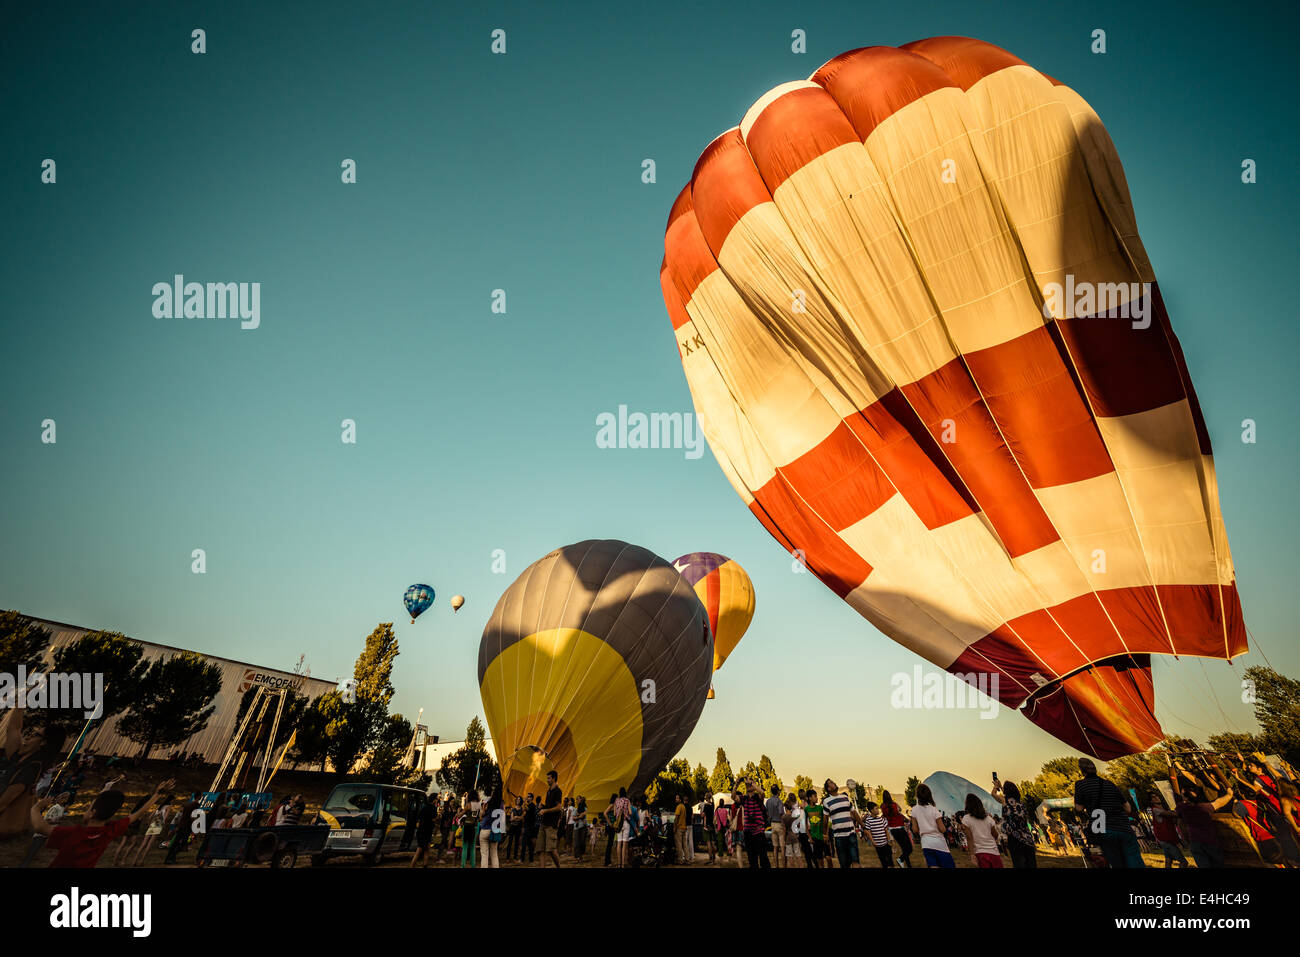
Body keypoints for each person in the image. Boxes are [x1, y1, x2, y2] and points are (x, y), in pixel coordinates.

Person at [31, 777, 176, 868]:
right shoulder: (110, 830)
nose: (87, 810)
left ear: (93, 813)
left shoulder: (74, 833)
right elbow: (139, 813)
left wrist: (36, 807)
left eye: (89, 808)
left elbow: (39, 826)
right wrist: (158, 793)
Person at [0, 710, 67, 840]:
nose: (29, 735)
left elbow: (2, 803)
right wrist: (20, 702)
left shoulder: (31, 769)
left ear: (43, 742)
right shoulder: (19, 755)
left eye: (35, 734)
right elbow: (14, 728)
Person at [1073, 757, 1145, 868]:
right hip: (1123, 826)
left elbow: (1079, 808)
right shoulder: (1109, 784)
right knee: (1134, 861)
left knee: (1116, 862)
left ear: (1082, 771)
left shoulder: (1080, 785)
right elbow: (1128, 808)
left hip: (1102, 827)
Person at [991, 779, 1036, 868]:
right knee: (1031, 863)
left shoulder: (1005, 801)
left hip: (1015, 838)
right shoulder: (1021, 804)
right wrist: (1001, 787)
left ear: (1006, 791)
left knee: (1019, 863)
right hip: (1027, 838)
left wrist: (996, 786)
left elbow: (993, 794)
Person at [910, 784, 954, 868]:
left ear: (917, 796)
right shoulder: (934, 809)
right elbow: (942, 829)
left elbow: (914, 829)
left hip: (925, 843)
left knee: (933, 865)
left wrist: (923, 830)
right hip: (939, 843)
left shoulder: (914, 810)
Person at [823, 780, 860, 868]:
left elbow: (854, 813)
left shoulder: (845, 797)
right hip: (839, 837)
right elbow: (825, 819)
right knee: (844, 864)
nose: (834, 783)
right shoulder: (827, 801)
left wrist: (863, 825)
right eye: (831, 783)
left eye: (833, 782)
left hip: (851, 834)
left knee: (855, 862)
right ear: (828, 788)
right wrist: (825, 834)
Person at [960, 793, 1002, 868]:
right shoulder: (988, 819)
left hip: (980, 852)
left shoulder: (966, 819)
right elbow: (995, 834)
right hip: (994, 852)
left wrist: (972, 854)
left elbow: (969, 838)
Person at [1147, 794, 1187, 868]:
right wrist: (1180, 808)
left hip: (1167, 838)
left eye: (1156, 796)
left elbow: (1173, 820)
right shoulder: (1155, 809)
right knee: (1184, 862)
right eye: (1153, 797)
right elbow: (1172, 814)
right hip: (1164, 839)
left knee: (1168, 861)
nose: (1156, 797)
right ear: (1151, 801)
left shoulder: (1163, 809)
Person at [739, 778, 770, 868]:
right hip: (748, 832)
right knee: (752, 859)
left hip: (758, 832)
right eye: (747, 784)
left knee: (763, 858)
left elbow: (762, 793)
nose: (748, 785)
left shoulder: (757, 797)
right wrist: (737, 783)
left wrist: (753, 784)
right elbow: (733, 797)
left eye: (750, 784)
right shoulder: (744, 799)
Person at [881, 790, 913, 867]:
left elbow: (884, 816)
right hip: (900, 828)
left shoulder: (882, 806)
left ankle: (908, 865)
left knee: (904, 848)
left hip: (892, 829)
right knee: (909, 849)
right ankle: (901, 859)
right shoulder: (894, 804)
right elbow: (900, 810)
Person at [538, 770, 563, 867]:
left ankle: (559, 866)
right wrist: (543, 807)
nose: (547, 780)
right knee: (541, 849)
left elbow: (558, 807)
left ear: (554, 778)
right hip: (544, 823)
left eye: (549, 778)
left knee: (552, 850)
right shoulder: (549, 791)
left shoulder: (557, 791)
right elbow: (549, 806)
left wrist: (545, 811)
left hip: (551, 825)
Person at [479, 783, 503, 868]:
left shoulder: (487, 803)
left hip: (485, 829)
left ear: (493, 793)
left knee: (484, 855)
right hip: (495, 830)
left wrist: (482, 810)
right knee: (494, 854)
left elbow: (481, 816)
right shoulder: (502, 804)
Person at [863, 801, 893, 868]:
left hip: (885, 843)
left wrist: (889, 840)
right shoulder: (868, 820)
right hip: (877, 845)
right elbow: (869, 832)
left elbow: (886, 831)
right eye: (876, 808)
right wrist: (873, 841)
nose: (878, 810)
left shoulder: (881, 819)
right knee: (883, 860)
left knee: (890, 859)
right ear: (871, 810)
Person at [411, 794, 438, 867]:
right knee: (420, 850)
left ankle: (425, 865)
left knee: (427, 849)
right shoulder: (433, 808)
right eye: (437, 798)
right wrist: (438, 817)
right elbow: (434, 819)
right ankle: (412, 865)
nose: (437, 800)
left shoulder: (424, 807)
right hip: (427, 832)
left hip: (421, 830)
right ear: (434, 800)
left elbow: (419, 818)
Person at [804, 788, 826, 868]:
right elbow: (805, 825)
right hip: (814, 837)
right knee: (818, 859)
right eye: (815, 796)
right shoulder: (806, 809)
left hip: (822, 836)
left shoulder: (820, 808)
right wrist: (809, 837)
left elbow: (825, 822)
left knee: (825, 858)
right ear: (810, 798)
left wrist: (825, 834)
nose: (817, 798)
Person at [765, 784, 786, 868]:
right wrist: (784, 826)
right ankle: (784, 865)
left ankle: (775, 865)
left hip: (772, 824)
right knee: (782, 847)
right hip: (779, 823)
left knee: (775, 847)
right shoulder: (779, 801)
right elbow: (781, 813)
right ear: (778, 791)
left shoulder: (768, 801)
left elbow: (767, 814)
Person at [673, 792, 690, 865]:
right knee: (685, 845)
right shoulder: (683, 806)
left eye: (677, 798)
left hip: (679, 828)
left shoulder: (679, 807)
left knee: (679, 844)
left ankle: (680, 860)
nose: (676, 799)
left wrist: (674, 826)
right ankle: (687, 859)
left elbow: (676, 817)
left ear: (680, 799)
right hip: (684, 827)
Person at [505, 796, 523, 861]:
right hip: (512, 827)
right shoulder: (513, 809)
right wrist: (516, 818)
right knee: (510, 842)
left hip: (518, 827)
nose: (518, 800)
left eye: (519, 799)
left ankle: (515, 857)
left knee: (516, 843)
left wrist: (516, 817)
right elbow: (511, 819)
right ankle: (508, 857)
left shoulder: (522, 809)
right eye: (517, 799)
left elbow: (522, 818)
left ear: (521, 801)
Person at [700, 791, 716, 864]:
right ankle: (714, 858)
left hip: (707, 826)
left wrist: (701, 813)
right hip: (712, 825)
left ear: (706, 798)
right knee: (713, 843)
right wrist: (711, 796)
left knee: (708, 843)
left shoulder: (706, 806)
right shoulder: (712, 805)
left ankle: (710, 859)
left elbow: (703, 815)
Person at [573, 796, 588, 860]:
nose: (578, 800)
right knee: (576, 842)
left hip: (583, 827)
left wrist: (577, 817)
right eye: (577, 799)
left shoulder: (585, 808)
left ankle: (581, 855)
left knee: (582, 842)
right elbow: (573, 818)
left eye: (579, 799)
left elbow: (583, 814)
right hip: (577, 827)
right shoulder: (575, 809)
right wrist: (579, 817)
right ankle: (578, 856)